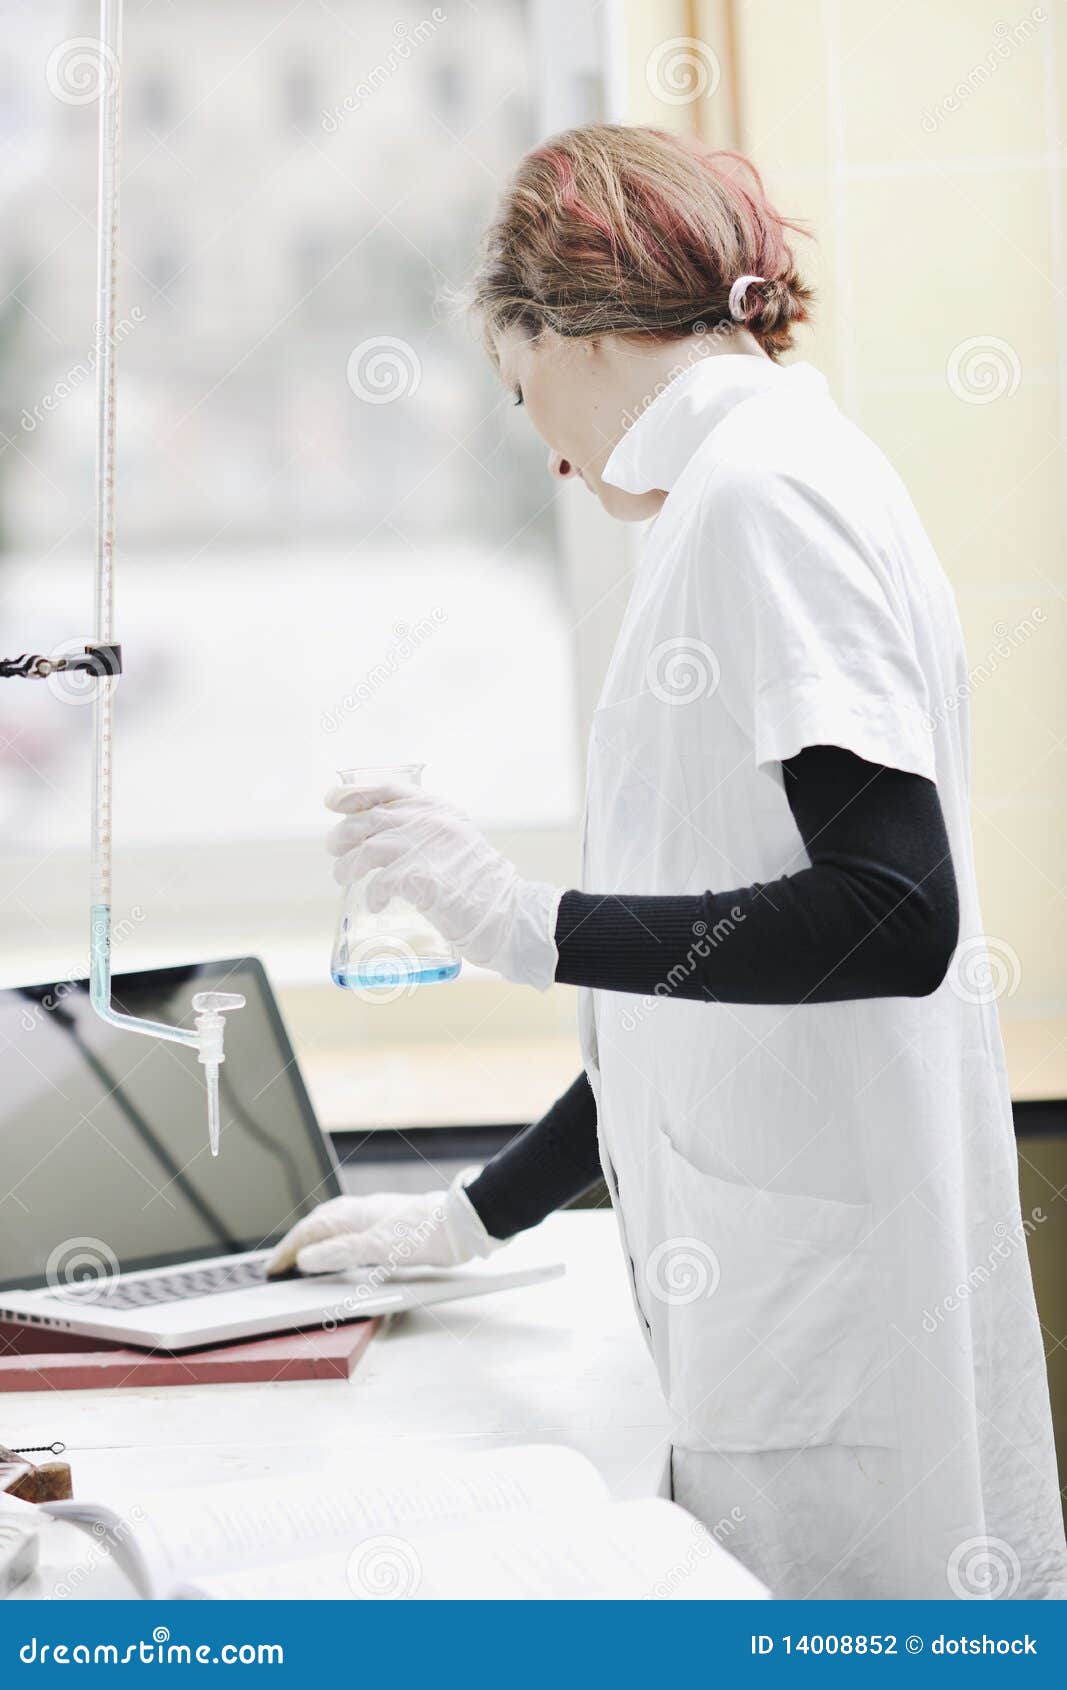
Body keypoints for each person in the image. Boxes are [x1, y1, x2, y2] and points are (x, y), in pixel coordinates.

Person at [269, 126, 1067, 1600]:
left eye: (524, 397)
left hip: (833, 1374)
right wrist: (469, 1213)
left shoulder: (765, 492)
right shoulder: (740, 489)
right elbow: (695, 1010)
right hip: (794, 1326)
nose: (556, 455)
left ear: (572, 325)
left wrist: (527, 922)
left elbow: (895, 913)